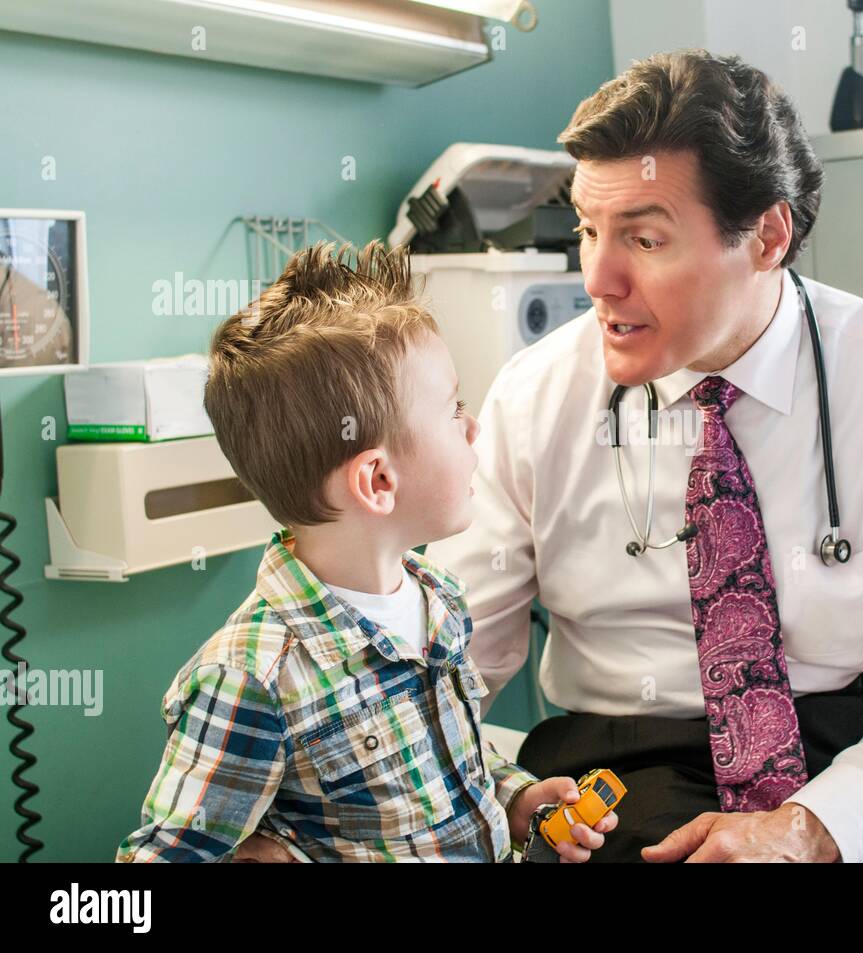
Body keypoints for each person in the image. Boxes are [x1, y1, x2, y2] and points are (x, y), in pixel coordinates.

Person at [422, 49, 863, 863]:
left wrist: (815, 825)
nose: (599, 278)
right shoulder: (535, 397)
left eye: (643, 237)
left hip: (850, 755)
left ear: (768, 237)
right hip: (615, 771)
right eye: (587, 229)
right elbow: (447, 665)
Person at [115, 241, 615, 862]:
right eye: (453, 409)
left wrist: (515, 798)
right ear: (378, 480)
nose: (474, 427)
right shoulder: (251, 678)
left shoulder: (438, 598)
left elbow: (445, 760)